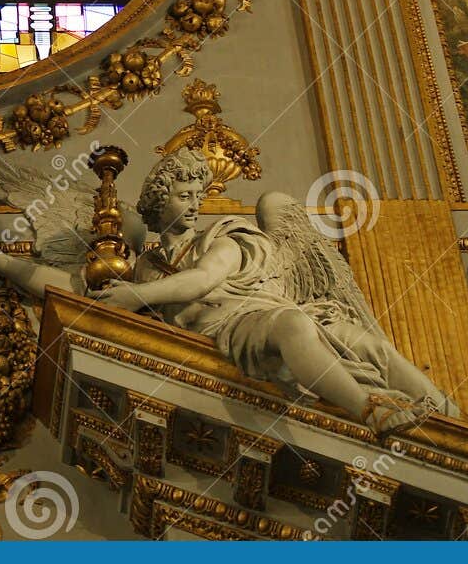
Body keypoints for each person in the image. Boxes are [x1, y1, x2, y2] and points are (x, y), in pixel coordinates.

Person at [89, 150, 442, 434]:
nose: (196, 205)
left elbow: (202, 279)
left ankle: (449, 421)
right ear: (158, 205)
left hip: (254, 314)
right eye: (184, 196)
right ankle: (368, 408)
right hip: (230, 332)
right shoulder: (147, 268)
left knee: (370, 345)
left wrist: (137, 295)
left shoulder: (222, 238)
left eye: (198, 196)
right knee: (292, 324)